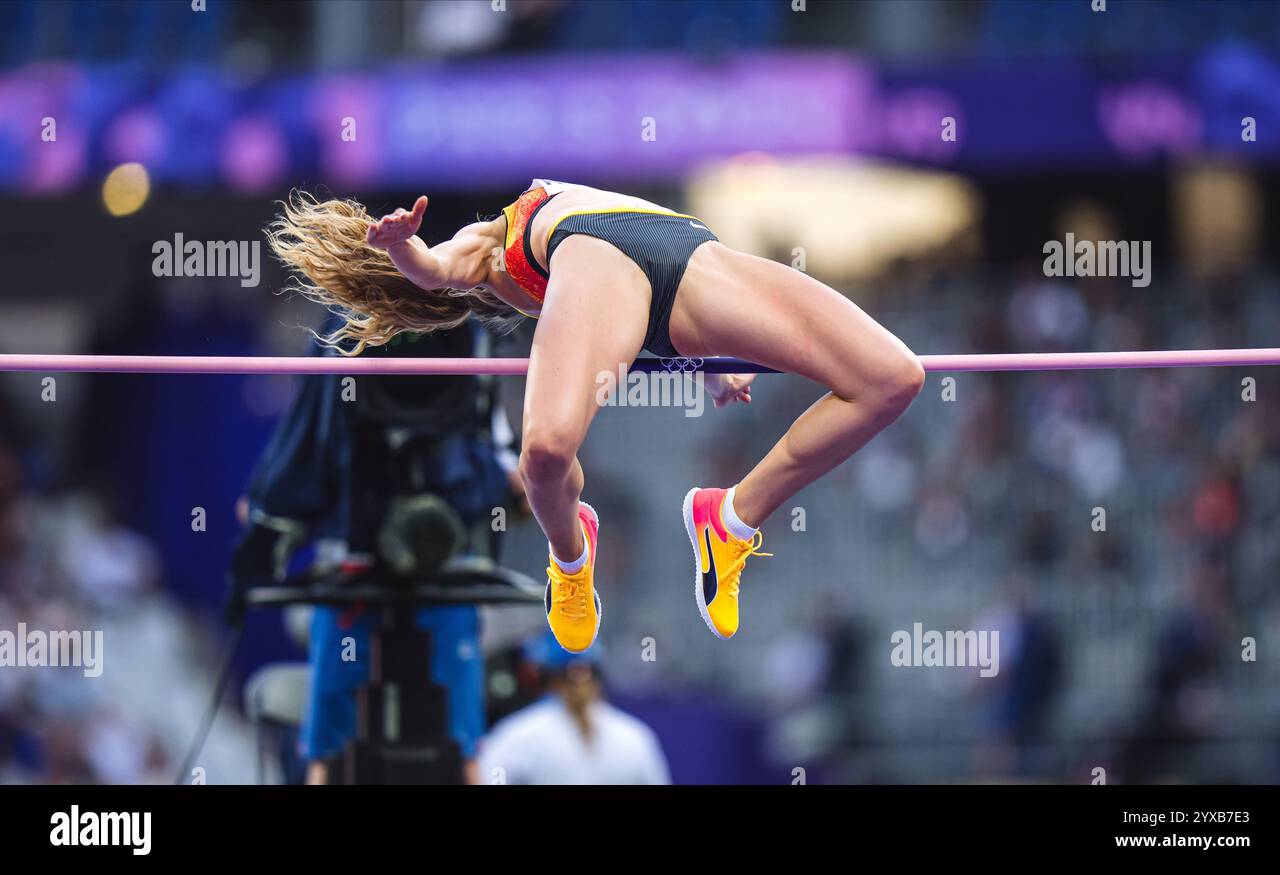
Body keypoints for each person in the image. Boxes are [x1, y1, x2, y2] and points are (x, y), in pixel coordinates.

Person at [266, 179, 925, 654]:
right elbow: (439, 270)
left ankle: (730, 519)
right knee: (547, 454)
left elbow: (634, 334)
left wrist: (713, 359)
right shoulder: (490, 249)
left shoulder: (515, 233)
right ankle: (570, 559)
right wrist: (409, 253)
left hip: (689, 255)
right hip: (605, 255)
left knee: (893, 378)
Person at [232, 316, 520, 783]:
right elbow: (308, 432)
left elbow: (499, 447)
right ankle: (322, 771)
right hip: (355, 567)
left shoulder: (465, 332)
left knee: (464, 719)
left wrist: (517, 481)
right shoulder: (342, 331)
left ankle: (467, 769)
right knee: (329, 719)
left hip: (445, 568)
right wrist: (273, 505)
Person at [476, 636, 670, 785]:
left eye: (585, 674)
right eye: (571, 676)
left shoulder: (633, 737)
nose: (579, 684)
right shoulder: (521, 734)